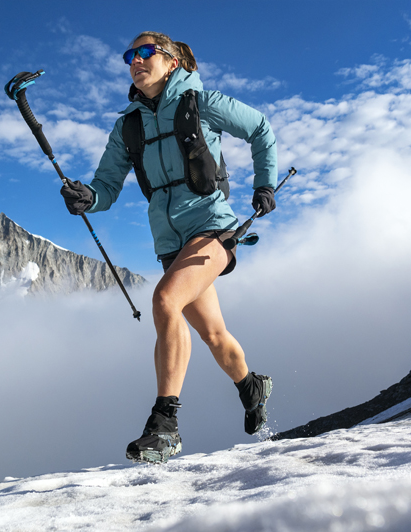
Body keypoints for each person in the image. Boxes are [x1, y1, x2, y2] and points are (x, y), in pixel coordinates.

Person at [60, 31, 278, 464]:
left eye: (145, 53)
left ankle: (166, 426)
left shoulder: (203, 103)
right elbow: (106, 186)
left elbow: (259, 129)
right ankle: (252, 387)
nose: (135, 61)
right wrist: (87, 198)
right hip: (169, 242)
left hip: (213, 228)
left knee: (165, 299)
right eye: (129, 55)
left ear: (172, 62)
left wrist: (264, 183)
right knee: (214, 335)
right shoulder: (128, 126)